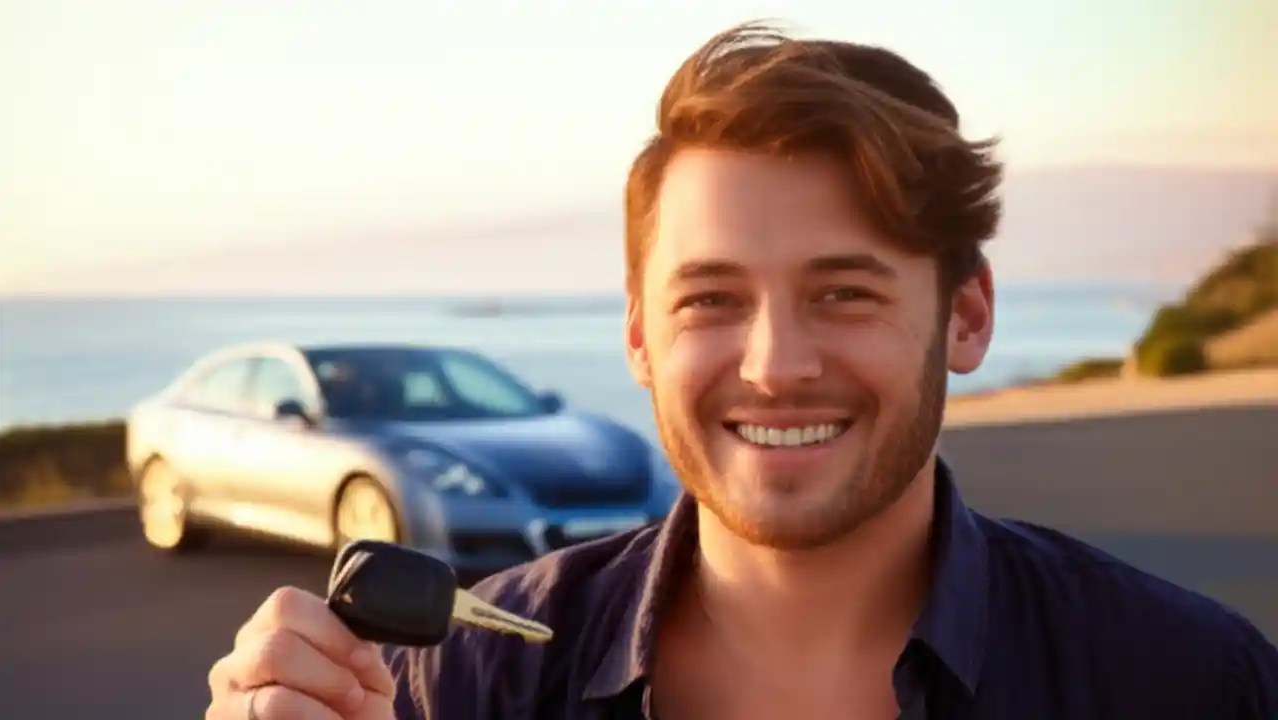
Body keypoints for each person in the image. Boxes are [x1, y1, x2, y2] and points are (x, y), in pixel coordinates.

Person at [206, 21, 1278, 720]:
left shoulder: (1184, 683)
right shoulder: (456, 690)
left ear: (964, 315)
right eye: (710, 299)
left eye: (843, 293)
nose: (773, 366)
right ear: (638, 338)